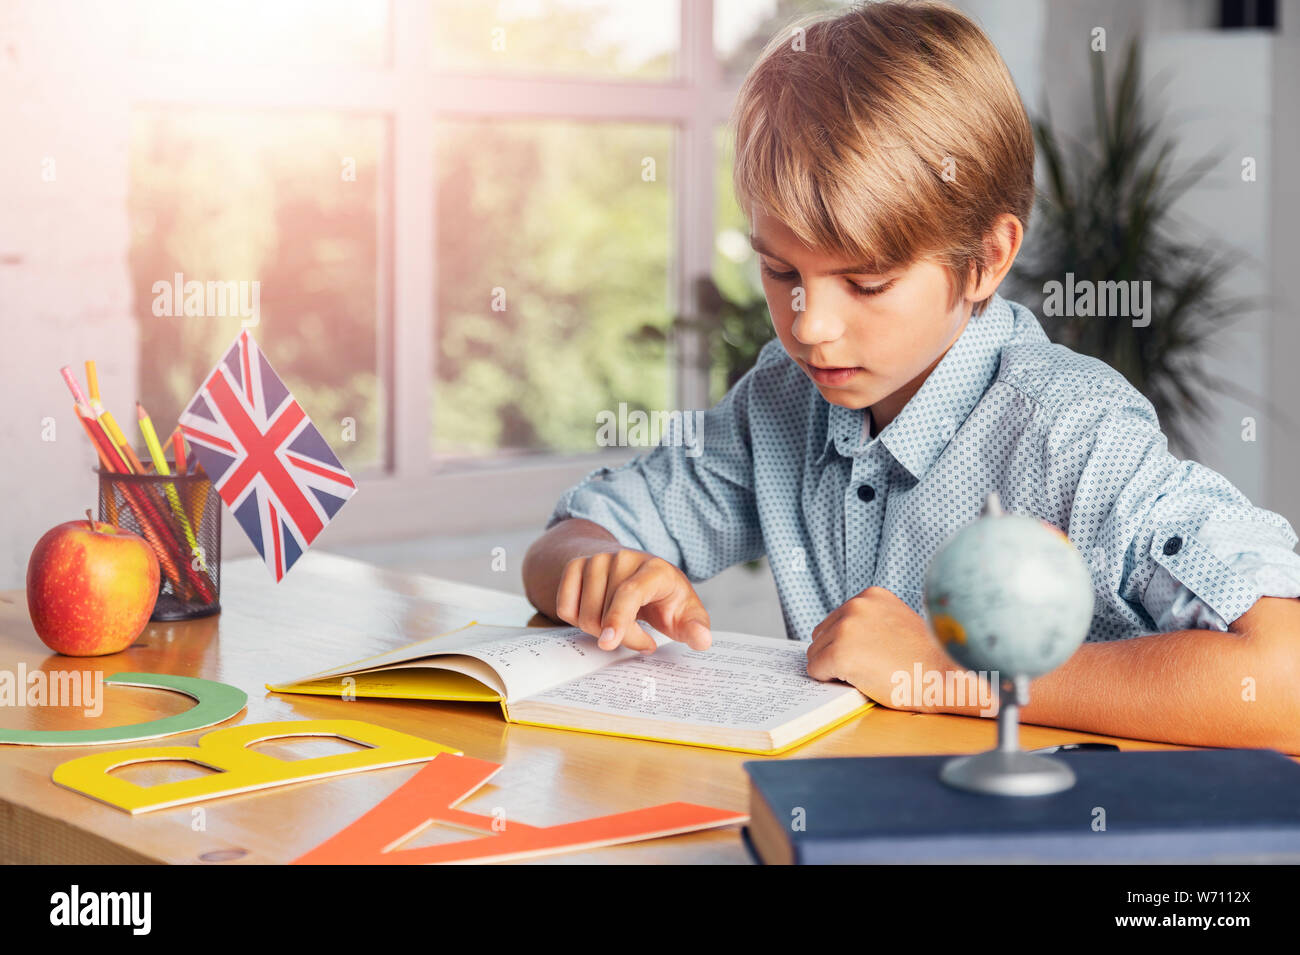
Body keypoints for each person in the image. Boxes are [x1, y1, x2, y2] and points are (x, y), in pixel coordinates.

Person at [521, 0, 1300, 751]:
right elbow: (569, 538)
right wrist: (599, 570)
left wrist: (945, 672)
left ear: (988, 259)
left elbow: (1284, 674)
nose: (809, 325)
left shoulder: (1073, 432)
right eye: (781, 270)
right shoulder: (782, 401)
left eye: (866, 284)